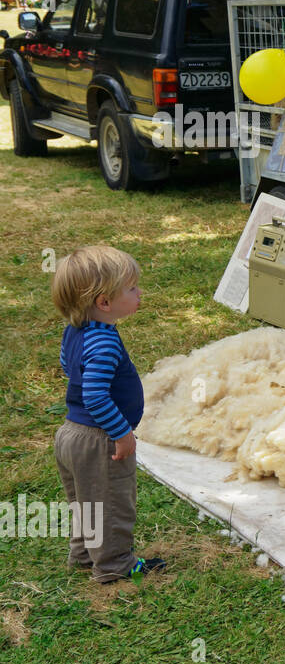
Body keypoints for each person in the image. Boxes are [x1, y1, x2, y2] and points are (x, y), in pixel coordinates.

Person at [51, 246, 164, 584]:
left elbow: (65, 363)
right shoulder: (104, 343)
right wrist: (121, 433)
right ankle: (115, 564)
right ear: (104, 302)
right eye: (131, 288)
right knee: (112, 502)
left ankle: (84, 553)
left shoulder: (76, 331)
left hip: (69, 435)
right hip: (98, 439)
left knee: (86, 498)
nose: (139, 293)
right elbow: (96, 396)